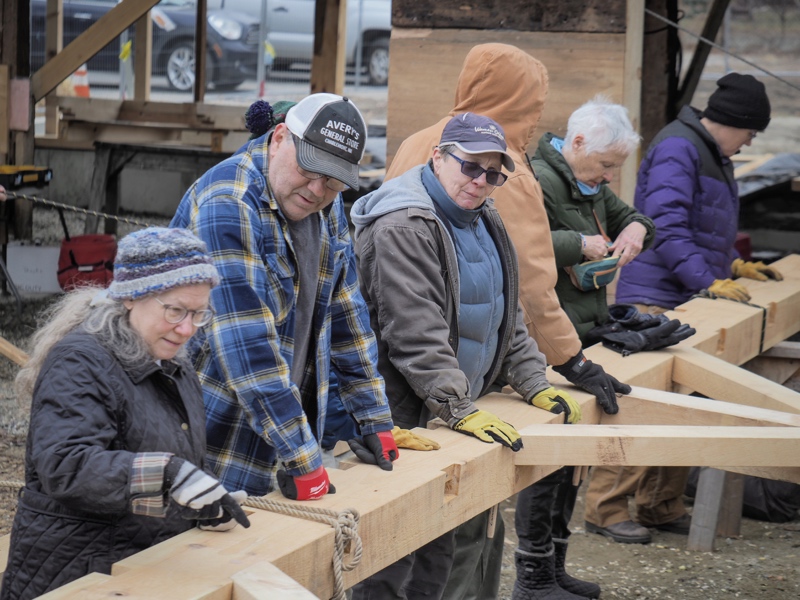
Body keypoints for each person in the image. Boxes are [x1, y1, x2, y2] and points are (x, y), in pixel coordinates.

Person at [384, 44, 631, 600]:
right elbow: (530, 288)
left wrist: (533, 376)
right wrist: (570, 361)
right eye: (536, 106)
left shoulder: (417, 144)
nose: (479, 179)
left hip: (418, 379)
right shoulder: (506, 173)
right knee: (461, 532)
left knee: (401, 535)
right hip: (447, 386)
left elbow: (502, 292)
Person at [349, 112, 583, 600]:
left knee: (440, 551)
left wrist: (532, 379)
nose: (480, 182)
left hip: (452, 410)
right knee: (390, 558)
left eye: (493, 174)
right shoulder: (405, 225)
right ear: (438, 156)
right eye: (470, 167)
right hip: (403, 412)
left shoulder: (482, 214)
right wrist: (458, 407)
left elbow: (506, 309)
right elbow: (415, 333)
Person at [170, 93, 399, 502]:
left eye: (332, 181)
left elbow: (347, 314)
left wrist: (374, 416)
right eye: (309, 169)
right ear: (279, 138)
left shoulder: (322, 206)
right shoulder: (229, 203)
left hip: (276, 425)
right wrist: (302, 456)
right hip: (204, 431)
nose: (316, 189)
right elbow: (248, 350)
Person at [585, 73, 783, 544]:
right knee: (643, 402)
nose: (749, 142)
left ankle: (659, 504)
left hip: (685, 293)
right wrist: (709, 280)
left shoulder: (709, 151)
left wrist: (730, 265)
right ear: (734, 123)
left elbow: (701, 226)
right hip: (656, 295)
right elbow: (667, 226)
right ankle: (605, 509)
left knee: (687, 404)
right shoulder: (681, 147)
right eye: (751, 133)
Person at [1, 227, 250, 600]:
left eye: (199, 313)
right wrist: (169, 475)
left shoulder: (172, 363)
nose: (186, 329)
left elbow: (171, 451)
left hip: (144, 564)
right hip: (75, 571)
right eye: (175, 310)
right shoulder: (80, 360)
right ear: (131, 297)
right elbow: (66, 465)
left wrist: (199, 502)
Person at [529, 97, 656, 560]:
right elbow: (527, 245)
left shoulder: (589, 181)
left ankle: (554, 563)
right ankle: (537, 569)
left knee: (571, 459)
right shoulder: (539, 180)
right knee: (549, 460)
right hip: (552, 335)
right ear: (577, 143)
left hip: (585, 329)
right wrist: (579, 243)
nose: (608, 176)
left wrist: (637, 232)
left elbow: (632, 217)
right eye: (606, 164)